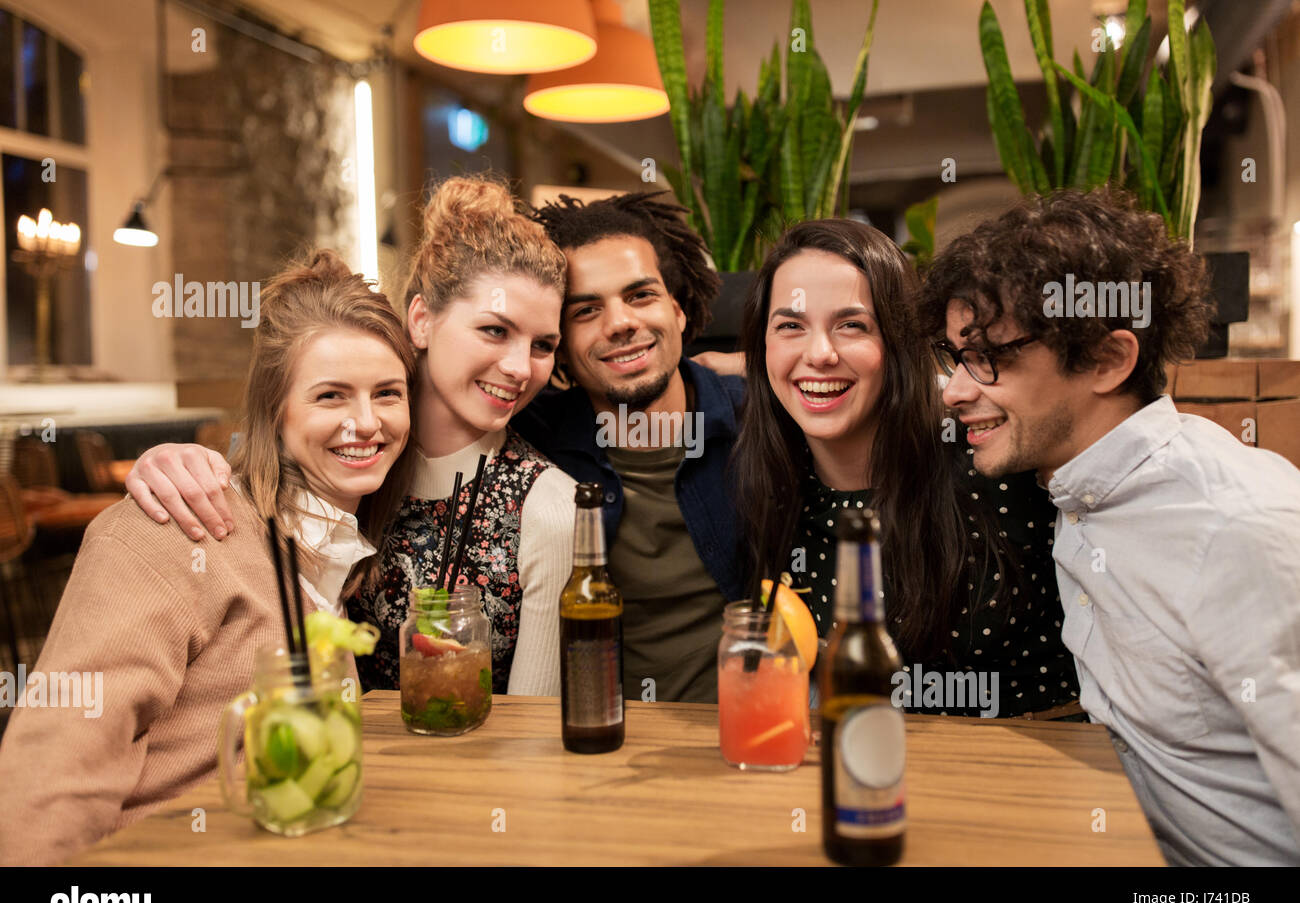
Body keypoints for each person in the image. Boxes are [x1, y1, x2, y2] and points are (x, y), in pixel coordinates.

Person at [919, 186, 1300, 865]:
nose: (954, 390)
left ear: (1105, 359)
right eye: (955, 359)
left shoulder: (1236, 526)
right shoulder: (1072, 480)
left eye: (986, 359)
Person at [0, 251, 415, 864]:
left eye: (388, 393)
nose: (366, 421)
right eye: (330, 395)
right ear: (275, 412)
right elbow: (46, 784)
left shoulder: (340, 555)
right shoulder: (173, 528)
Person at [121, 177, 576, 696]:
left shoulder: (549, 507)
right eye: (495, 330)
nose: (520, 367)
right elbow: (259, 478)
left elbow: (534, 737)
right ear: (422, 320)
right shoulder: (354, 462)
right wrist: (172, 460)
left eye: (544, 345)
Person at [731, 218, 1075, 718]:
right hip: (857, 771)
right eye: (790, 326)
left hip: (1032, 769)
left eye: (852, 325)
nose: (819, 354)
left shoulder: (995, 458)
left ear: (899, 342)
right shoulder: (764, 478)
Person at [520, 191, 744, 704]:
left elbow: (896, 392)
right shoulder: (531, 438)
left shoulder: (761, 422)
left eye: (640, 295)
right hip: (602, 745)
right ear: (557, 342)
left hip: (750, 733)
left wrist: (778, 361)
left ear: (680, 310)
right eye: (586, 310)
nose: (619, 323)